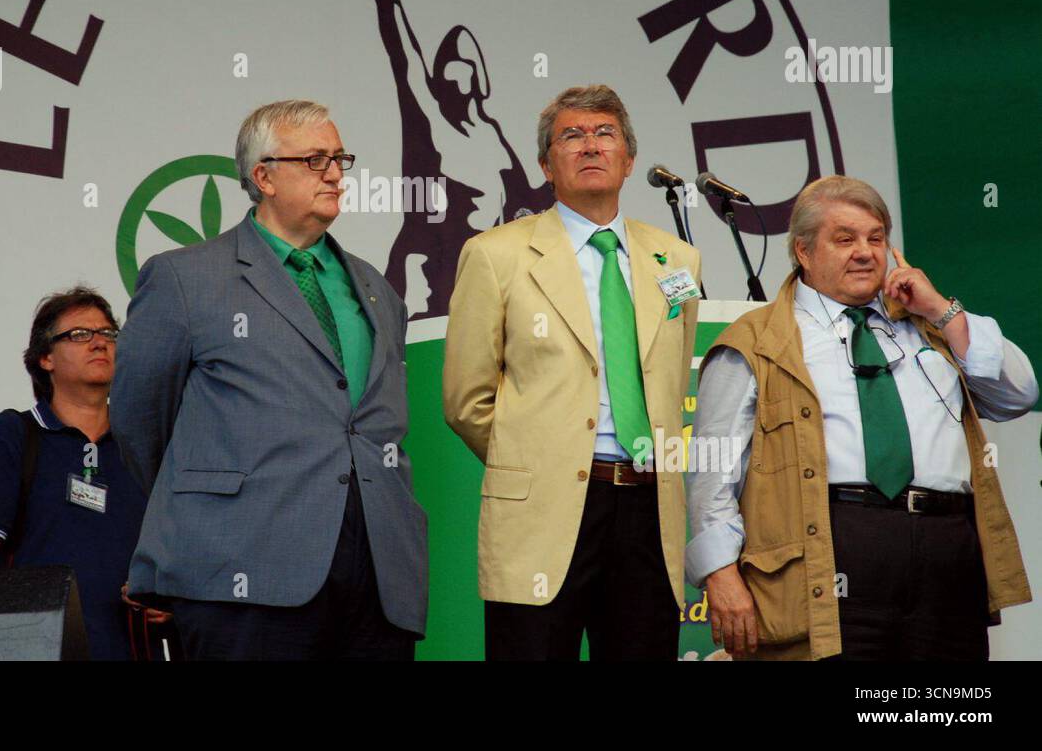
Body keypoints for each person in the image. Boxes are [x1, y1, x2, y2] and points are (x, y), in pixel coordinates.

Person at [110, 99, 427, 660]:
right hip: (242, 570)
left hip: (378, 577)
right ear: (263, 177)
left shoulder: (378, 289)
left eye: (339, 158)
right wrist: (214, 502)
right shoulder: (185, 279)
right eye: (313, 160)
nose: (334, 173)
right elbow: (141, 420)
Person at [687, 175, 1036, 660]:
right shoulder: (756, 340)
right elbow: (712, 472)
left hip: (946, 552)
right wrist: (720, 574)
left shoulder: (927, 326)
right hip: (835, 547)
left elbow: (1018, 393)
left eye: (876, 238)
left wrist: (939, 307)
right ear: (803, 251)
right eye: (845, 239)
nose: (865, 252)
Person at [443, 84, 701, 660]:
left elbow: (671, 378)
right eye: (571, 136)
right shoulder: (496, 254)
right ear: (545, 164)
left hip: (647, 509)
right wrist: (539, 460)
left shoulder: (676, 259)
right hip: (545, 508)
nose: (590, 145)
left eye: (605, 134)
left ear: (628, 160)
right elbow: (467, 398)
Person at [0, 286, 156, 660]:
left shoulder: (145, 446)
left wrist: (171, 599)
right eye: (80, 334)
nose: (99, 343)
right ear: (45, 357)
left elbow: (177, 565)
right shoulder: (12, 435)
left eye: (108, 333)